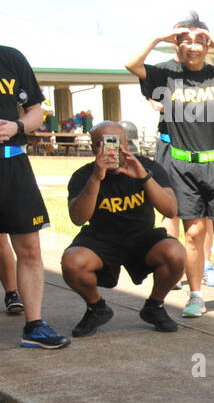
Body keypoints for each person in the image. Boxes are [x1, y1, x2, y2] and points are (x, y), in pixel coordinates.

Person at [126, 13, 214, 318]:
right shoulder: (165, 76)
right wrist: (159, 38)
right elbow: (131, 64)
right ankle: (196, 295)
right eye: (186, 40)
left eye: (200, 41)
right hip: (184, 167)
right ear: (177, 46)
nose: (193, 47)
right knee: (194, 234)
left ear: (207, 44)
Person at [61, 122, 186, 336]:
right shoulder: (84, 175)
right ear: (93, 148)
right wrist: (96, 177)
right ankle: (96, 308)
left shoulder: (148, 166)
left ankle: (154, 306)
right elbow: (79, 218)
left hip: (142, 238)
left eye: (116, 143)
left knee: (176, 254)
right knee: (72, 262)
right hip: (100, 239)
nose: (111, 149)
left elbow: (171, 209)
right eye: (103, 144)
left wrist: (143, 177)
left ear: (127, 144)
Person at [0, 44, 70, 348]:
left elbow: (36, 112)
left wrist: (17, 125)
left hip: (12, 162)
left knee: (29, 247)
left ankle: (34, 325)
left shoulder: (10, 58)